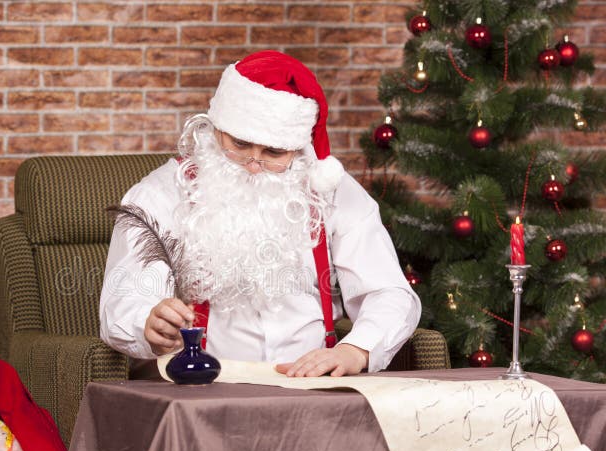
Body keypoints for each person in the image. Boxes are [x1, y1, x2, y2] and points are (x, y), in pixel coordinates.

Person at [99, 50, 420, 377]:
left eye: (273, 152)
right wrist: (148, 323)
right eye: (240, 144)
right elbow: (123, 304)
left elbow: (389, 292)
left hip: (314, 386)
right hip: (203, 387)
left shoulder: (332, 190)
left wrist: (357, 349)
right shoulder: (161, 193)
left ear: (296, 148)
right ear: (217, 129)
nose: (254, 164)